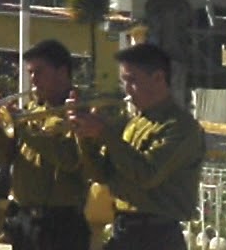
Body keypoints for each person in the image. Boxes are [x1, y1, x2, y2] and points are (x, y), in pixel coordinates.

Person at [69, 43, 205, 250]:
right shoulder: (133, 123)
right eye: (124, 81)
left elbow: (146, 174)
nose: (127, 89)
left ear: (158, 78)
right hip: (125, 230)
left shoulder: (181, 127)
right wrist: (85, 136)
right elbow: (100, 174)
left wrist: (104, 133)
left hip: (157, 235)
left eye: (132, 80)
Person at [0, 39, 91, 250]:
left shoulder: (81, 111)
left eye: (39, 72)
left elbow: (70, 158)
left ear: (62, 72)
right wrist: (0, 129)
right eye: (30, 74)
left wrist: (23, 129)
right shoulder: (31, 110)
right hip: (25, 220)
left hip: (62, 224)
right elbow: (3, 158)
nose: (33, 80)